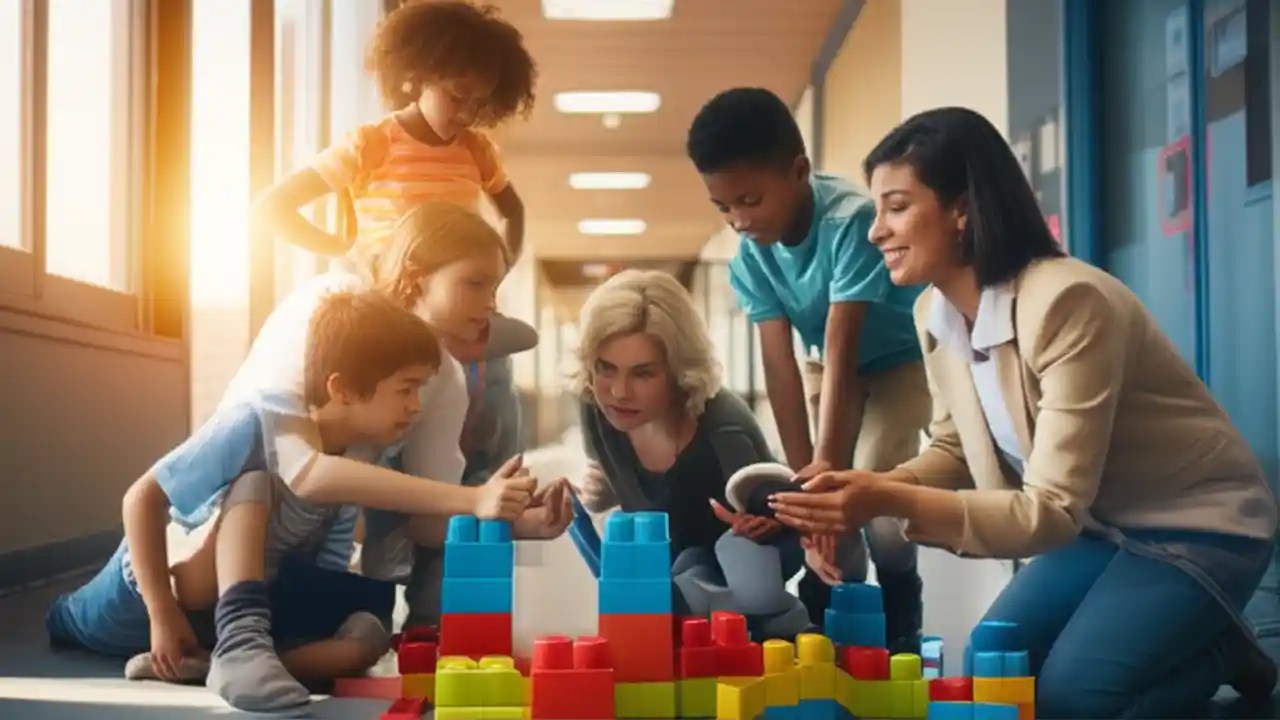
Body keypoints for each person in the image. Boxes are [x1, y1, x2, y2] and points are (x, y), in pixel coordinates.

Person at [769, 106, 1279, 718]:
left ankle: (1221, 653)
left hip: (1195, 525)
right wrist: (857, 489)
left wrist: (884, 499)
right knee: (993, 662)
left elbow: (1051, 511)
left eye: (897, 206)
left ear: (962, 208)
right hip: (1103, 528)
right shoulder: (933, 314)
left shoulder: (1068, 301)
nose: (876, 231)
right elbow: (954, 450)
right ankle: (1194, 637)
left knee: (1072, 697)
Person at [45, 291, 536, 714]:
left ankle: (209, 667)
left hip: (239, 609)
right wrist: (160, 613)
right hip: (155, 593)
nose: (414, 406)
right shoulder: (255, 423)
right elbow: (141, 499)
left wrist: (527, 521)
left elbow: (363, 551)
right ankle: (229, 644)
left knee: (367, 631)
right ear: (341, 389)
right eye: (405, 390)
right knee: (254, 481)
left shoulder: (364, 462)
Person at [225, 202, 572, 632]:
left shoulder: (444, 377)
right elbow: (301, 471)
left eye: (495, 287)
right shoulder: (329, 307)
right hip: (223, 552)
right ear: (415, 276)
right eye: (475, 283)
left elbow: (426, 521)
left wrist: (517, 521)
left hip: (300, 567)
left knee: (363, 639)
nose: (491, 304)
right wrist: (474, 499)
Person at [686, 86, 929, 651]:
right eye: (723, 208)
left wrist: (827, 477)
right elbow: (782, 367)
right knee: (825, 503)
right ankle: (833, 624)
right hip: (825, 367)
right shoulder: (750, 258)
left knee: (874, 491)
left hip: (894, 365)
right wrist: (806, 492)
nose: (739, 220)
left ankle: (900, 611)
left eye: (749, 200)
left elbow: (846, 348)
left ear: (798, 171)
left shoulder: (851, 221)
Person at [251, 0, 538, 361]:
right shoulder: (371, 144)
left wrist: (495, 274)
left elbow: (513, 211)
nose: (467, 114)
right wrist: (339, 245)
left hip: (455, 301)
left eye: (479, 104)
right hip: (390, 299)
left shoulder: (476, 150)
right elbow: (272, 207)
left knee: (501, 360)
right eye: (457, 96)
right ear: (418, 75)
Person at [571, 270, 838, 640]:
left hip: (742, 588)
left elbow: (786, 526)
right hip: (658, 589)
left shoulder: (722, 430)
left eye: (643, 374)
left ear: (679, 371)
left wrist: (766, 528)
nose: (618, 392)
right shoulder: (596, 409)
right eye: (605, 369)